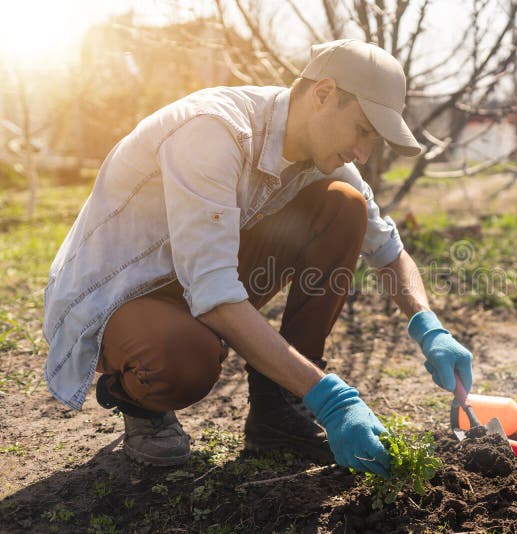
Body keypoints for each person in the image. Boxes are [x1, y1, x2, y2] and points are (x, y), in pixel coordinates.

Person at [42, 39, 473, 476]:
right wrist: (330, 398)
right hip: (121, 294)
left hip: (193, 278)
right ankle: (141, 403)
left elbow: (388, 251)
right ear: (323, 94)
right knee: (185, 360)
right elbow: (214, 293)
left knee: (345, 205)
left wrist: (428, 325)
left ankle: (277, 408)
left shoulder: (322, 157)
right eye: (363, 130)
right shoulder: (213, 132)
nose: (363, 153)